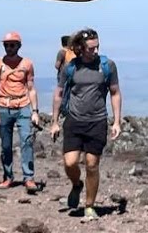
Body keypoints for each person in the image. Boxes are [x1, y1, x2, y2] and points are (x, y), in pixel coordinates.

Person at [48, 28, 121, 221]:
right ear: (80, 48)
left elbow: (115, 93)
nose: (95, 51)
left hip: (97, 121)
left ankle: (89, 206)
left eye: (97, 47)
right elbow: (59, 94)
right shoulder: (70, 68)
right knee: (70, 162)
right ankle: (76, 184)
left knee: (92, 164)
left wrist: (117, 121)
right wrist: (54, 122)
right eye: (91, 48)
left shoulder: (107, 66)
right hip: (74, 121)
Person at [0, 31, 40, 192]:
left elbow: (31, 88)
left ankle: (29, 178)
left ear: (18, 46)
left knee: (27, 142)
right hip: (4, 106)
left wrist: (35, 111)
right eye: (7, 45)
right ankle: (8, 176)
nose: (9, 48)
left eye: (12, 45)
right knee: (6, 145)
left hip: (23, 106)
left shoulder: (27, 64)